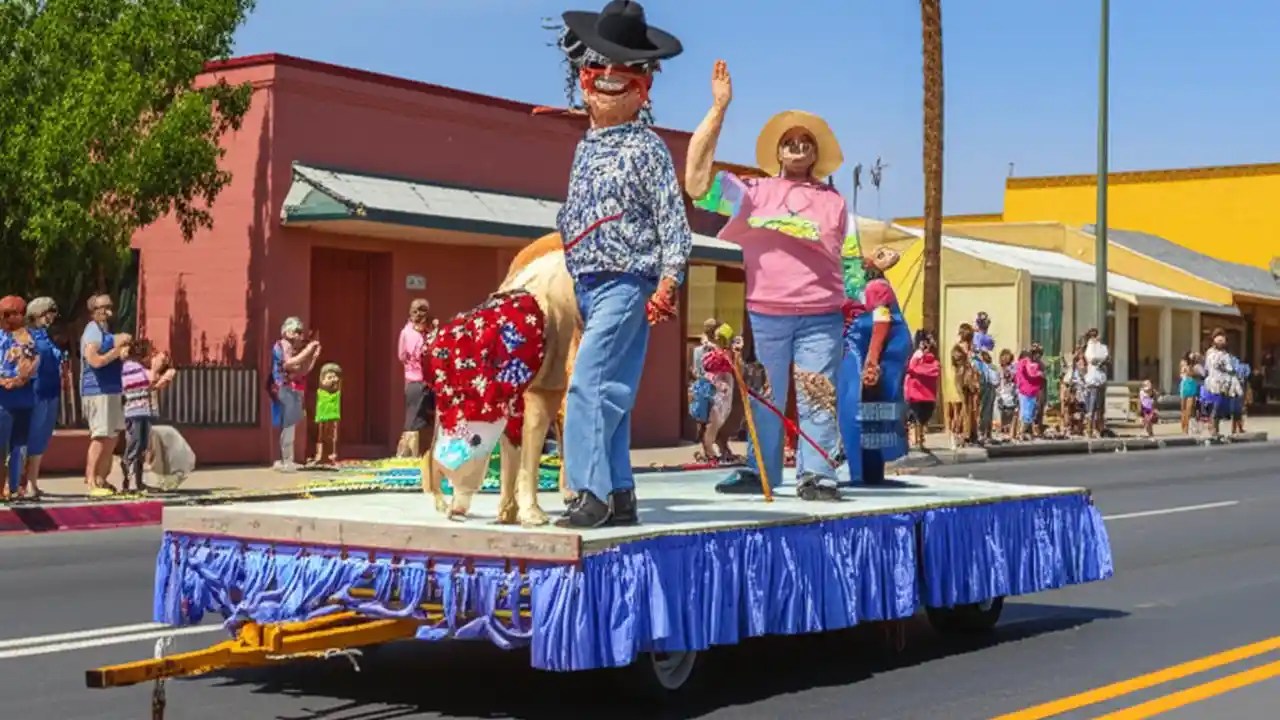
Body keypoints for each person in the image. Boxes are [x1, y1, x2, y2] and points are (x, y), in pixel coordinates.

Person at [554, 1, 690, 527]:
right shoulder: (585, 147)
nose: (610, 82)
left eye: (625, 74)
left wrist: (669, 278)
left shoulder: (649, 148)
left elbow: (672, 221)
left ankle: (589, 492)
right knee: (610, 389)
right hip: (590, 281)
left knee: (587, 383)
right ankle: (620, 493)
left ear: (644, 87)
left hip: (628, 280)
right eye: (597, 72)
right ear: (584, 79)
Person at [686, 60, 849, 499]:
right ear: (777, 153)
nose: (796, 147)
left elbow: (837, 249)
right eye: (789, 142)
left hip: (821, 315)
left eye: (805, 142)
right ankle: (762, 469)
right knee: (764, 396)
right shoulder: (753, 193)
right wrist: (719, 109)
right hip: (766, 313)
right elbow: (697, 184)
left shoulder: (834, 200)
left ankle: (818, 474)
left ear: (816, 154)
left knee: (818, 393)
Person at [81, 293, 130, 496]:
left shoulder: (105, 331)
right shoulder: (92, 331)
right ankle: (91, 478)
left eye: (110, 305)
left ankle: (102, 479)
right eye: (103, 306)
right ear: (94, 310)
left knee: (112, 436)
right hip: (97, 390)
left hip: (112, 388)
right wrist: (116, 353)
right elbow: (94, 360)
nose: (108, 309)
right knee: (100, 435)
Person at [21, 297, 62, 499]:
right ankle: (16, 483)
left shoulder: (45, 335)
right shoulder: (26, 335)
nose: (52, 318)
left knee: (42, 437)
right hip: (34, 391)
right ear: (37, 314)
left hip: (51, 390)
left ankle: (32, 483)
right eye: (49, 313)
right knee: (29, 435)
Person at [120, 343, 176, 492]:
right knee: (136, 443)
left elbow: (150, 385)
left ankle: (138, 483)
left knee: (142, 446)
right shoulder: (130, 367)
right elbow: (150, 379)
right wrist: (158, 368)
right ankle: (128, 469)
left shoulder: (138, 367)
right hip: (135, 412)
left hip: (143, 411)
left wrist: (164, 376)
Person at [270, 317, 320, 472]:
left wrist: (313, 356)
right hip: (284, 388)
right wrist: (308, 350)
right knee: (289, 425)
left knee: (290, 425)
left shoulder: (291, 348)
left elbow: (302, 371)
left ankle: (287, 459)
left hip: (292, 389)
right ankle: (286, 460)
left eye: (301, 332)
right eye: (297, 331)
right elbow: (289, 364)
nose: (299, 336)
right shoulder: (282, 345)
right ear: (287, 331)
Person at [0, 297, 38, 501]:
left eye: (13, 313)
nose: (8, 318)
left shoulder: (27, 339)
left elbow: (31, 364)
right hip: (2, 400)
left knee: (19, 445)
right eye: (5, 314)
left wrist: (20, 379)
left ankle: (14, 487)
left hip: (23, 398)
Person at [397, 299, 435, 458]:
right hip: (415, 381)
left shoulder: (432, 332)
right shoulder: (406, 333)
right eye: (415, 311)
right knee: (413, 421)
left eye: (423, 310)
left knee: (429, 421)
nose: (419, 314)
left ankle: (426, 455)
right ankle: (409, 456)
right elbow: (402, 356)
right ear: (410, 313)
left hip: (432, 383)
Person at [699, 324, 736, 463]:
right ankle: (709, 450)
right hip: (716, 388)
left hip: (724, 387)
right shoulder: (712, 353)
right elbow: (705, 365)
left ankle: (711, 449)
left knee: (719, 419)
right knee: (714, 420)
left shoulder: (728, 353)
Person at [904, 330, 940, 452]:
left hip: (926, 393)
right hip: (917, 392)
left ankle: (919, 440)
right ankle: (918, 441)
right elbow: (912, 369)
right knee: (917, 417)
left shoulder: (930, 357)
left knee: (923, 417)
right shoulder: (917, 355)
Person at [312, 362, 342, 466]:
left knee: (331, 437)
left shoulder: (337, 392)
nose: (333, 380)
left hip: (333, 417)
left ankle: (331, 456)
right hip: (322, 417)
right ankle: (320, 455)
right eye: (329, 377)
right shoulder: (321, 391)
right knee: (321, 437)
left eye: (335, 377)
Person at [1082, 328, 1109, 438]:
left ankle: (1098, 428)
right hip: (1092, 380)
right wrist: (1100, 359)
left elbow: (1106, 356)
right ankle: (1089, 429)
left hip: (1101, 379)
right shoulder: (1089, 347)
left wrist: (1101, 359)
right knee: (1092, 407)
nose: (1097, 338)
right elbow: (1092, 358)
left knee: (1100, 406)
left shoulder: (1102, 347)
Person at [1014, 349, 1045, 441]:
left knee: (1025, 414)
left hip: (1025, 391)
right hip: (1028, 391)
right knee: (1027, 414)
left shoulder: (1018, 364)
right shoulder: (1025, 362)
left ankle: (1020, 433)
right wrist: (1039, 373)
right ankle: (1020, 433)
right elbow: (1031, 372)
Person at [1179, 352, 1203, 435]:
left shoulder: (1196, 366)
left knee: (1189, 409)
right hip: (1185, 385)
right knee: (1183, 409)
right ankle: (1183, 427)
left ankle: (1186, 428)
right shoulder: (1184, 363)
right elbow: (1183, 373)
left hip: (1192, 385)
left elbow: (1194, 374)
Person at [996, 349, 1018, 439]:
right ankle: (1008, 434)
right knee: (1009, 415)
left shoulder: (1010, 369)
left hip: (1008, 394)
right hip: (1004, 394)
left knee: (1010, 415)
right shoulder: (1002, 370)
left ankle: (1009, 434)